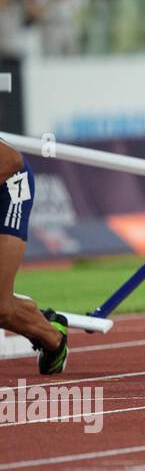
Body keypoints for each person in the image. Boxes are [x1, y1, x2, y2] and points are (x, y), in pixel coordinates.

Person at [0, 140, 69, 374]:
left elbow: (12, 159)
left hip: (9, 186)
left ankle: (53, 340)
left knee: (0, 307)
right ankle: (44, 322)